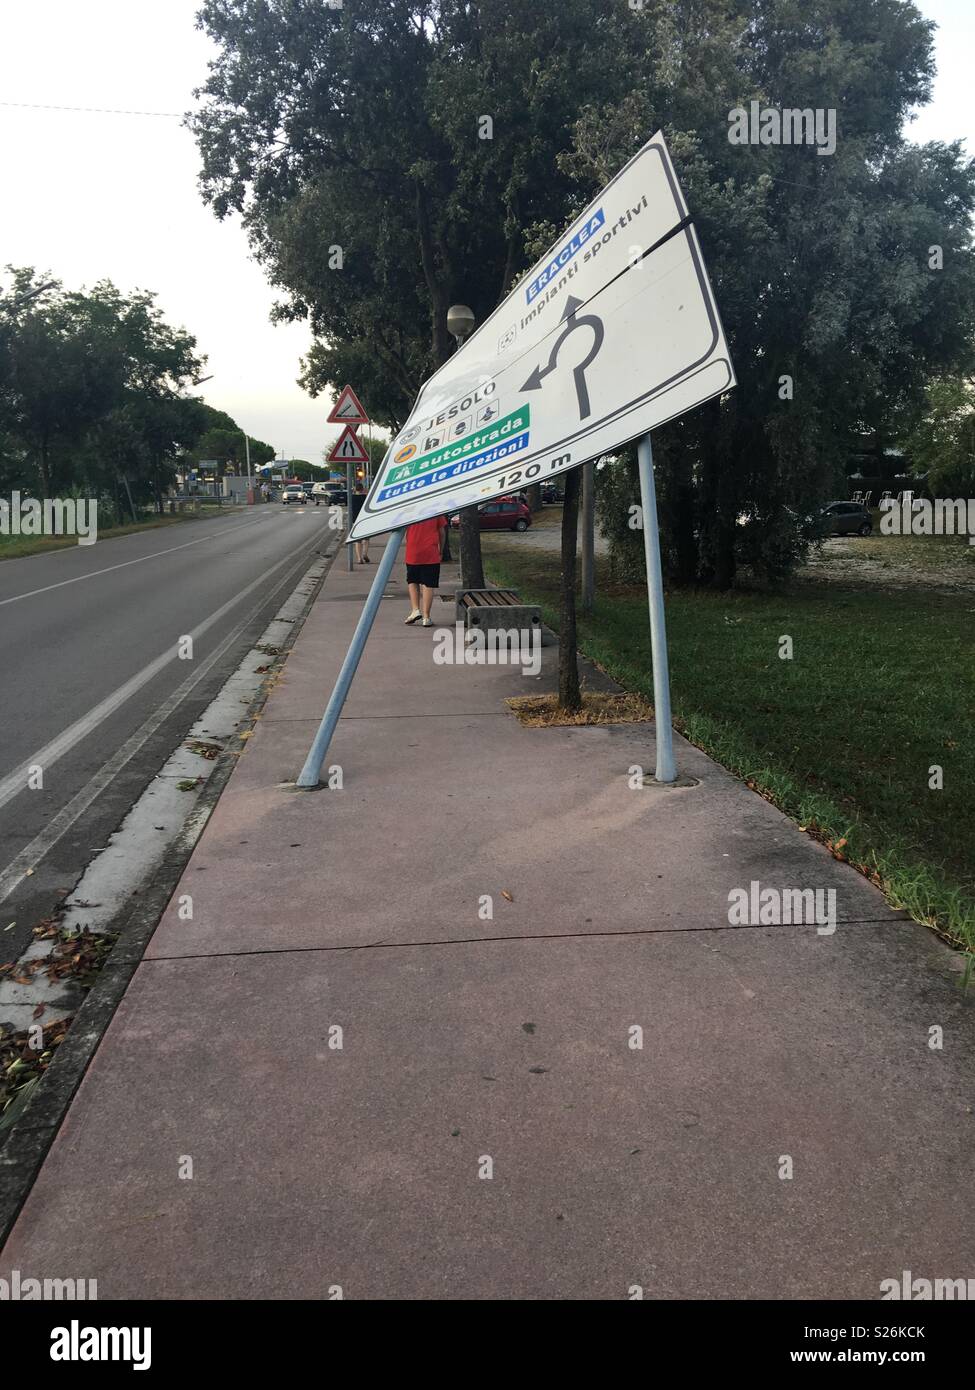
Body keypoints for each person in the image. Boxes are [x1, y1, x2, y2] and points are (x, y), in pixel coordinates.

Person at [404, 515, 447, 627]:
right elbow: (442, 533)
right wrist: (441, 551)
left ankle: (415, 610)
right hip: (430, 551)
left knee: (412, 580)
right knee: (428, 584)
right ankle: (426, 617)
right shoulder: (436, 510)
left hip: (413, 550)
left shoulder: (410, 509)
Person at [349, 481, 369, 562]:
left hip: (355, 520)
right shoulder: (366, 497)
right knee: (366, 539)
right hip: (365, 520)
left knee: (358, 540)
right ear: (362, 489)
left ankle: (359, 558)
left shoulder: (351, 498)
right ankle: (365, 553)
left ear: (355, 489)